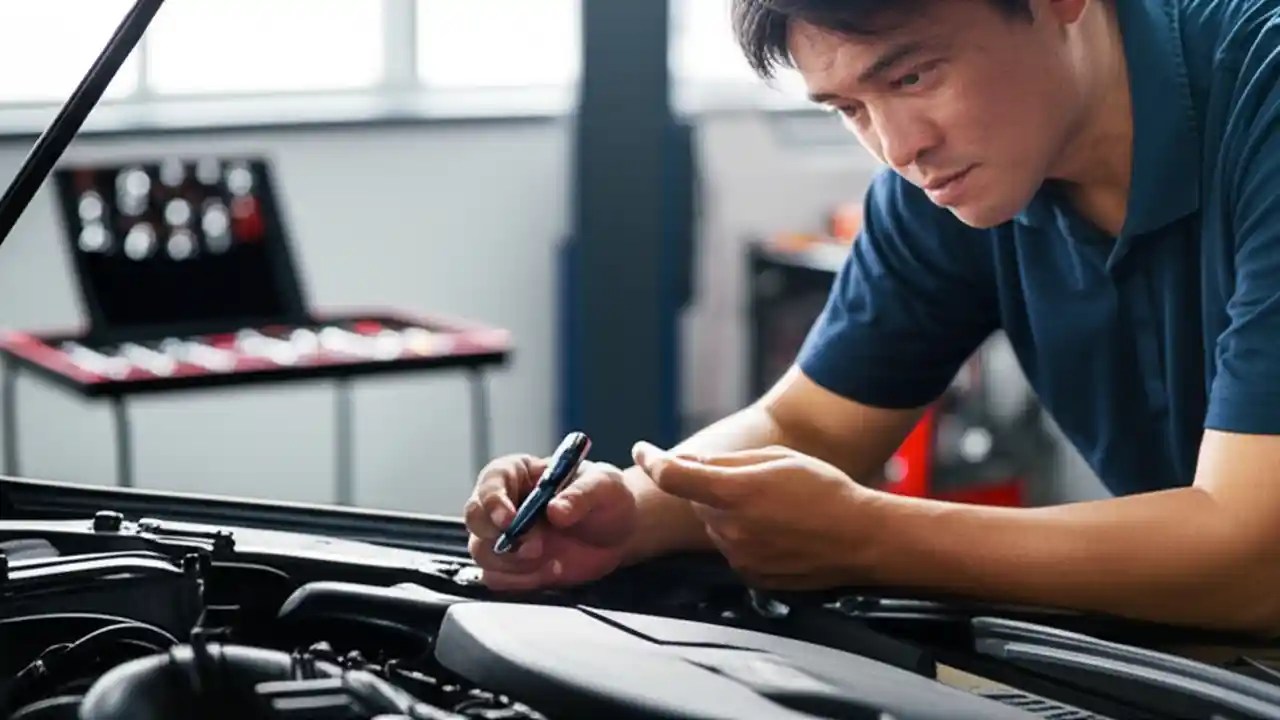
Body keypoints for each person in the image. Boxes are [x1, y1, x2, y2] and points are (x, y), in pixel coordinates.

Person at [463, 0, 1280, 636]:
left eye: (913, 76)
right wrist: (630, 510)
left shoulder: (1262, 89)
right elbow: (813, 422)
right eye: (848, 108)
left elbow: (1259, 556)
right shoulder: (952, 176)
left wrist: (873, 538)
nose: (897, 147)